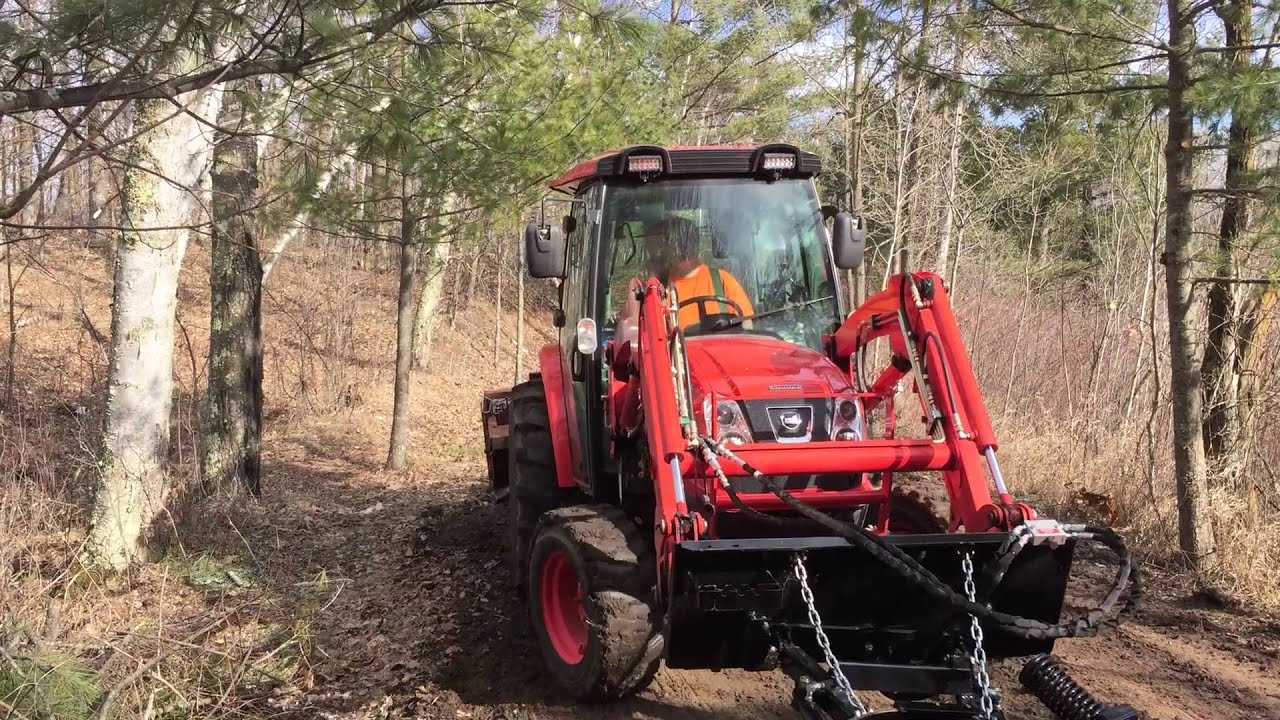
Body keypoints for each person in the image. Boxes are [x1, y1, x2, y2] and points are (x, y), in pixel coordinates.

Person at [642, 215, 753, 331]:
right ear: (666, 248)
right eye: (676, 243)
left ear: (695, 245)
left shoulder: (722, 280)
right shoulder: (657, 289)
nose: (683, 250)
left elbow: (747, 324)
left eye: (687, 242)